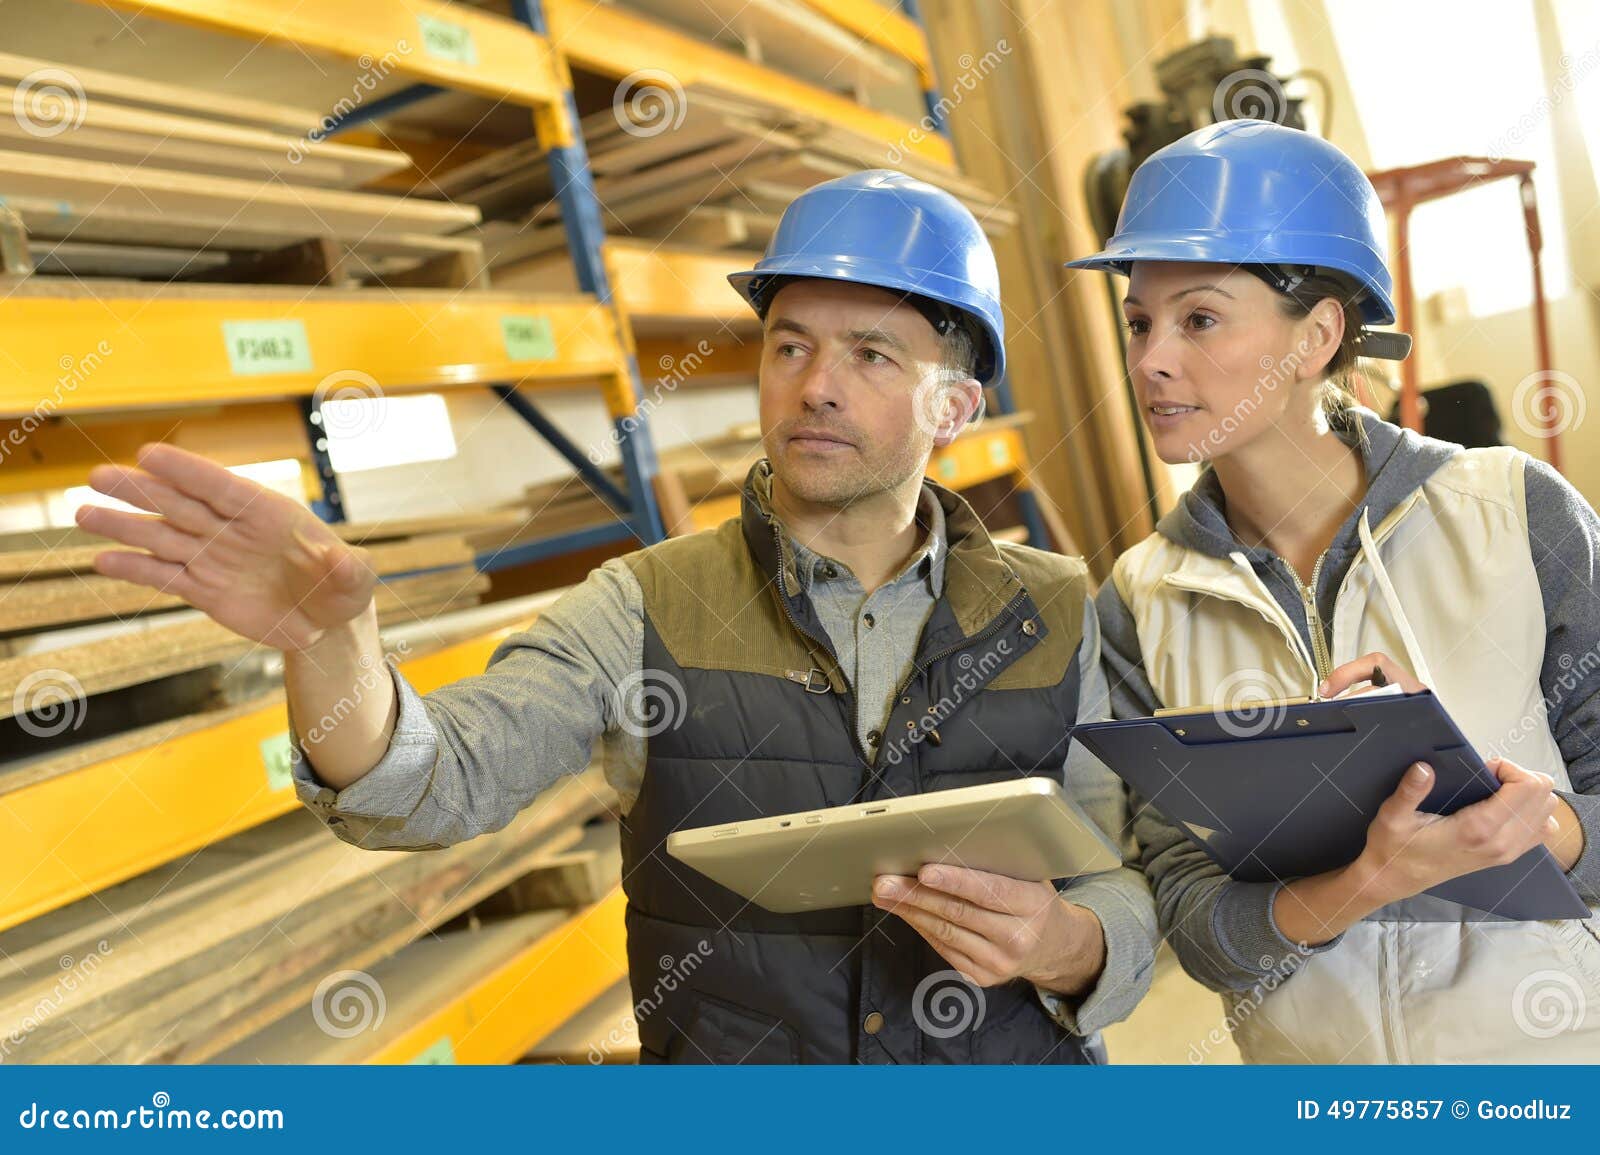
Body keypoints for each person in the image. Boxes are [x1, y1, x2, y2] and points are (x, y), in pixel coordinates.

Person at [79, 170, 1157, 1064]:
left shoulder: (1057, 608)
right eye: (789, 345)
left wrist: (1067, 942)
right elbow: (432, 787)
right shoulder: (641, 607)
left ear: (955, 409)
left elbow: (1134, 876)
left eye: (871, 353)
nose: (815, 385)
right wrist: (331, 644)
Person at [1066, 119, 1600, 1062]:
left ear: (1316, 336)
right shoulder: (1140, 598)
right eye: (1139, 322)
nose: (1149, 359)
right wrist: (1369, 877)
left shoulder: (1514, 511)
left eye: (1197, 318)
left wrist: (1534, 827)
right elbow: (1197, 924)